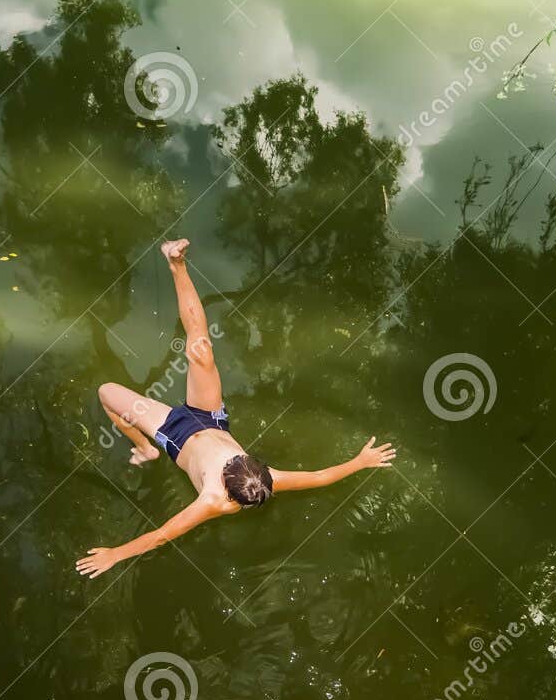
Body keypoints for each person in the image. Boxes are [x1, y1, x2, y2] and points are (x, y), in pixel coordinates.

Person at [76, 238, 397, 579]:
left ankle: (145, 449)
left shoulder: (211, 502)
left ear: (229, 490)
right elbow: (318, 477)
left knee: (106, 392)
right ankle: (177, 264)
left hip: (173, 433)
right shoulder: (269, 477)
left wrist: (116, 554)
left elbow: (161, 536)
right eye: (238, 460)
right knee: (200, 346)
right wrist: (361, 461)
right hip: (209, 417)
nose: (231, 458)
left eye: (233, 463)